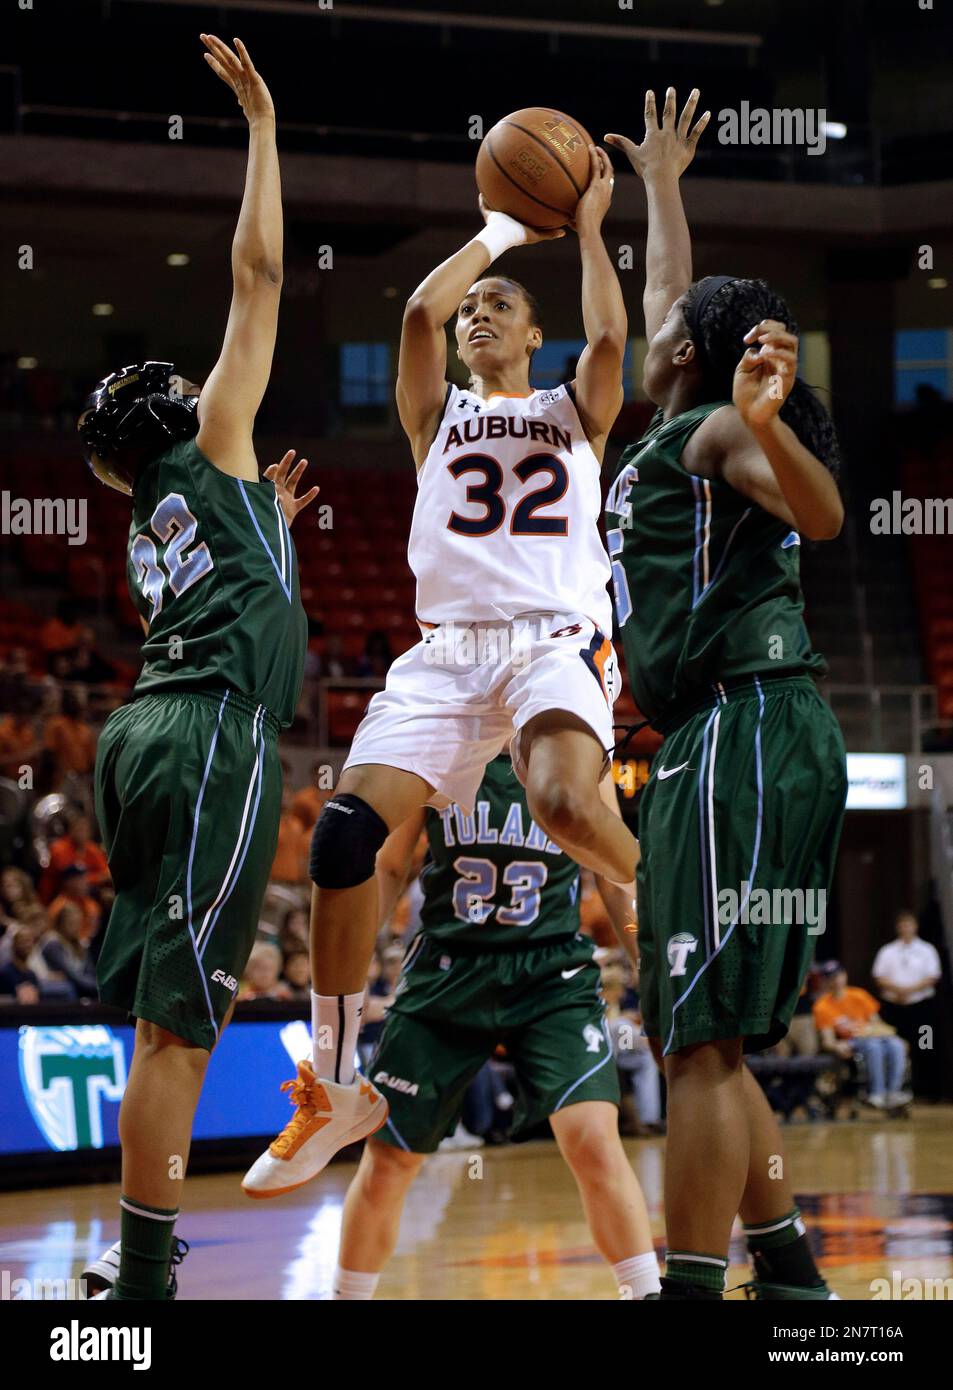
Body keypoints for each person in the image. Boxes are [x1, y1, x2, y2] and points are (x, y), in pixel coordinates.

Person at [243, 141, 640, 1196]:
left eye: (502, 303)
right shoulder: (438, 413)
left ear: (533, 334)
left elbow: (611, 333)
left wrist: (591, 228)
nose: (481, 314)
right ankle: (333, 1085)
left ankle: (674, 896)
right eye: (479, 306)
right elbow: (417, 315)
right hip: (444, 658)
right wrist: (499, 229)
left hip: (550, 639)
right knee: (340, 837)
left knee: (560, 803)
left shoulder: (570, 410)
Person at [78, 34, 316, 1302]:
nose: (202, 374)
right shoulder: (210, 432)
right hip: (209, 731)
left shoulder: (161, 505)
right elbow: (263, 271)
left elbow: (225, 565)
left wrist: (265, 516)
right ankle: (144, 1288)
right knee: (185, 1026)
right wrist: (263, 128)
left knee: (157, 1020)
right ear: (176, 413)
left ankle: (138, 1267)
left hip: (146, 733)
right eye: (186, 381)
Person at [603, 89, 847, 1300]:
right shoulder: (675, 410)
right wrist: (661, 182)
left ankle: (696, 1290)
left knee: (696, 1037)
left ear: (687, 357)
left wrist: (767, 422)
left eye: (672, 330)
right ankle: (790, 1274)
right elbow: (668, 296)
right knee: (704, 1032)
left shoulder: (707, 434)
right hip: (737, 732)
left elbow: (820, 514)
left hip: (742, 725)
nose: (657, 324)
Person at [328, 754, 659, 1301]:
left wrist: (644, 957)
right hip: (448, 971)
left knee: (595, 1140)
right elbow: (388, 866)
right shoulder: (437, 741)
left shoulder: (580, 746)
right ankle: (347, 1296)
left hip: (552, 973)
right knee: (389, 1160)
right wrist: (353, 963)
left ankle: (644, 1291)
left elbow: (614, 871)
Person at [813, 962, 909, 1108]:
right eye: (831, 978)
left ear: (844, 975)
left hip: (872, 1035)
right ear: (826, 981)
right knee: (874, 1047)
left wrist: (886, 1034)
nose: (836, 980)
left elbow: (876, 1022)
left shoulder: (859, 995)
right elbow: (827, 1040)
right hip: (852, 1041)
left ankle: (893, 1092)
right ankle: (877, 1093)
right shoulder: (822, 1005)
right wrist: (836, 1046)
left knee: (896, 1045)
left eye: (838, 976)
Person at [872, 910, 942, 1100]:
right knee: (895, 1045)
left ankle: (926, 1090)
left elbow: (932, 977)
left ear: (915, 926)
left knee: (925, 1045)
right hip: (894, 1008)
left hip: (921, 1008)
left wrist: (910, 991)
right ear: (898, 927)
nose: (905, 928)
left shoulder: (927, 950)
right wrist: (898, 991)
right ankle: (894, 1089)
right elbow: (879, 976)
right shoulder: (888, 951)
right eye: (902, 924)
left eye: (908, 924)